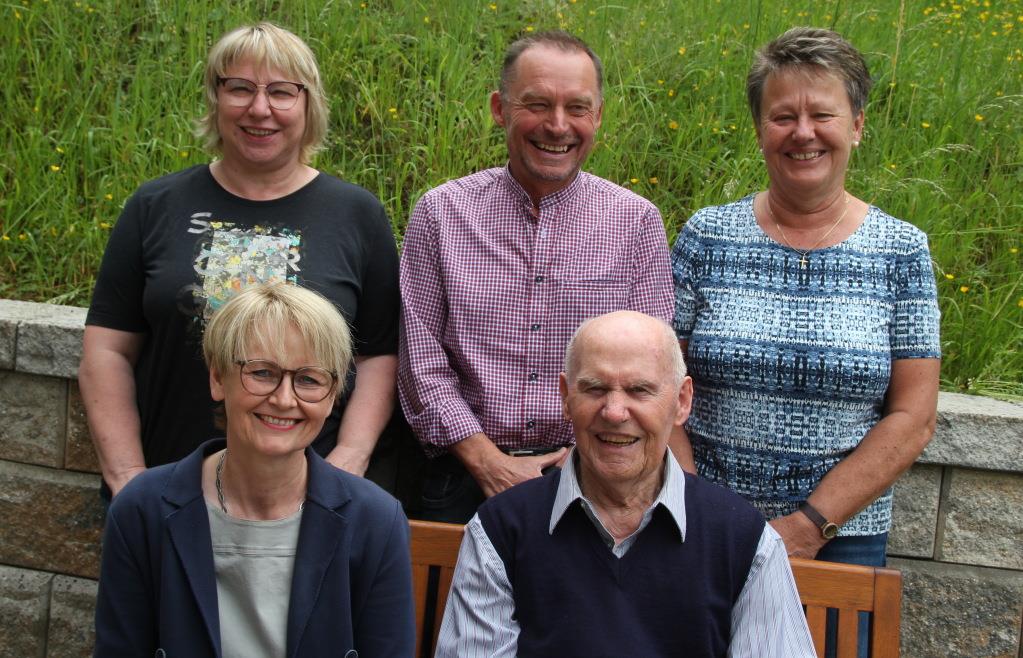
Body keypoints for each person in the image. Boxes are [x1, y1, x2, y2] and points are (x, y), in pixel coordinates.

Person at [79, 22, 400, 502]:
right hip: (166, 490)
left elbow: (378, 354)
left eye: (282, 92)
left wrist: (349, 460)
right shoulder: (155, 205)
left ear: (308, 104)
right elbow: (107, 350)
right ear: (215, 98)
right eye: (240, 88)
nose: (260, 108)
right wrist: (129, 477)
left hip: (307, 495)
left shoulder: (356, 214)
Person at [671, 27, 941, 570]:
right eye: (782, 116)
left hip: (842, 539)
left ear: (857, 125)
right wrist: (695, 506)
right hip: (703, 529)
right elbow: (659, 386)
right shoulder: (706, 236)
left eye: (823, 115)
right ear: (759, 129)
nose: (803, 133)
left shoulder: (902, 251)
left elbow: (913, 416)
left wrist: (810, 525)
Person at [398, 30, 681, 524]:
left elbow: (650, 367)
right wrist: (486, 459)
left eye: (576, 108)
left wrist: (584, 459)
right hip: (461, 476)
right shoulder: (441, 214)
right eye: (536, 104)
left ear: (597, 116)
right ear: (499, 108)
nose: (557, 125)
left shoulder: (635, 222)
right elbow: (421, 361)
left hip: (598, 476)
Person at [435, 311, 814, 657]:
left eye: (639, 390)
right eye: (595, 388)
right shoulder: (501, 531)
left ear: (682, 401)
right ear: (566, 398)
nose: (614, 412)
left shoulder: (743, 540)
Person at [93, 283, 415, 657]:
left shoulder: (376, 521)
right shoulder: (141, 510)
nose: (283, 399)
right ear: (217, 378)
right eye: (262, 372)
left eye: (309, 379)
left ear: (333, 396)